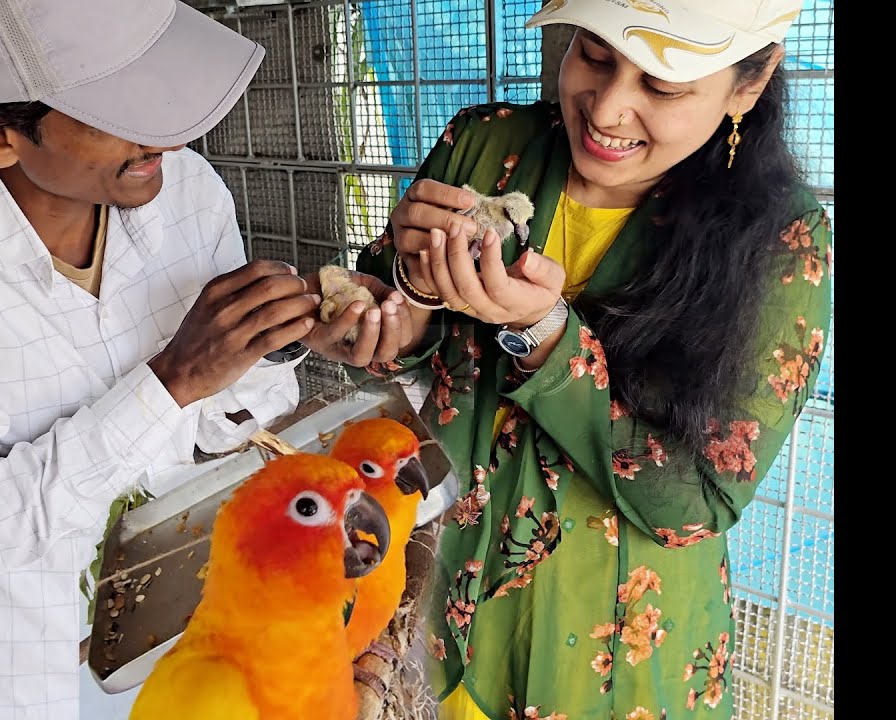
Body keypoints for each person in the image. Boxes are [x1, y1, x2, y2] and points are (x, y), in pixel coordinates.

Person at [0, 0, 412, 718]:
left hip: (202, 645)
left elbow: (216, 433)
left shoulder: (183, 192)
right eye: (120, 107)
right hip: (31, 673)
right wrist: (171, 380)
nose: (169, 137)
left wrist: (272, 347)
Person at [351, 1, 831, 718]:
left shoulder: (783, 243)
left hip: (609, 658)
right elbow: (409, 334)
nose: (607, 108)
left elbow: (694, 502)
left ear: (747, 86)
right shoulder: (486, 147)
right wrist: (397, 309)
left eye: (662, 89)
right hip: (442, 599)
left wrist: (544, 333)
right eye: (595, 55)